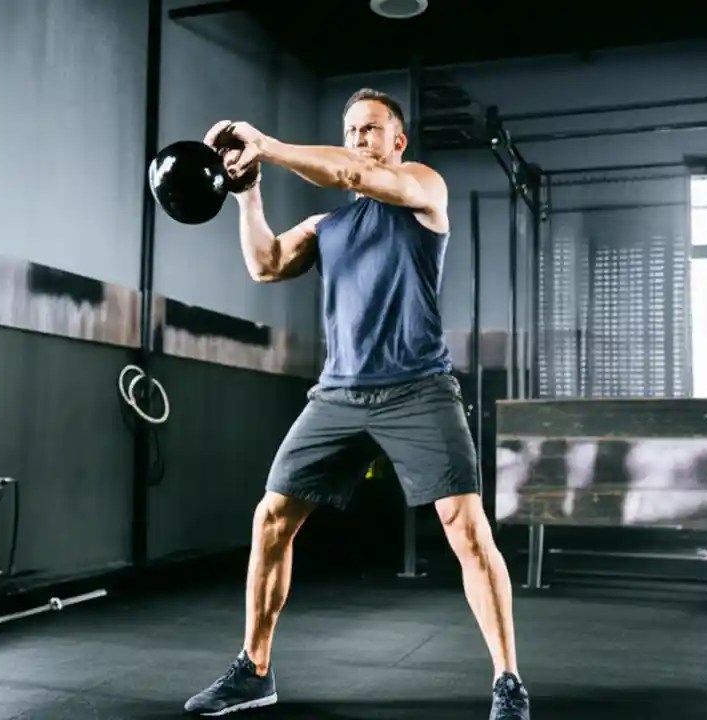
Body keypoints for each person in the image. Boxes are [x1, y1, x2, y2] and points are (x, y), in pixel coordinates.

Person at [183, 88, 530, 720]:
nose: (359, 140)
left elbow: (355, 175)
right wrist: (249, 190)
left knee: (467, 529)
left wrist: (268, 144)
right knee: (271, 519)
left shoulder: (424, 190)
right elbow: (264, 265)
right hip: (339, 394)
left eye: (371, 130)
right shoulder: (328, 227)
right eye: (351, 130)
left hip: (419, 388)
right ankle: (253, 670)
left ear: (397, 141)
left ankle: (507, 681)